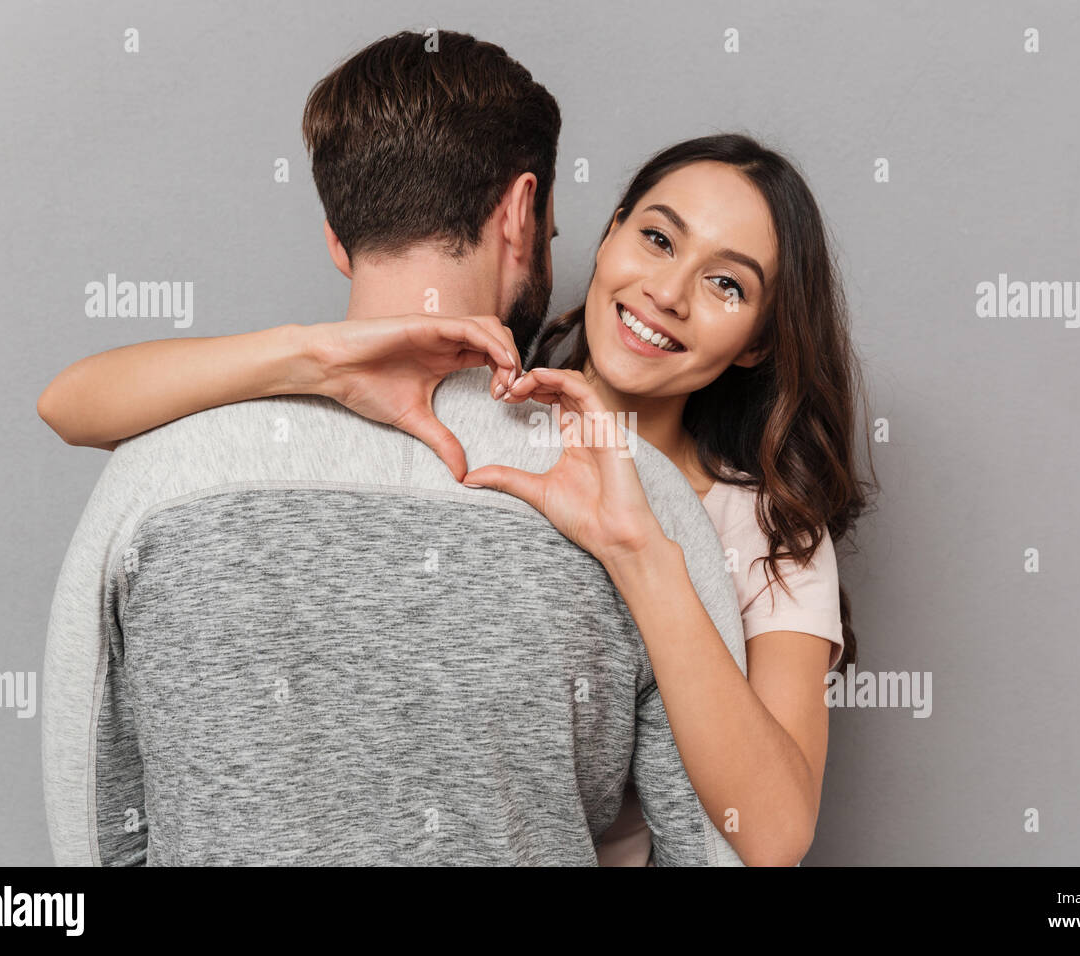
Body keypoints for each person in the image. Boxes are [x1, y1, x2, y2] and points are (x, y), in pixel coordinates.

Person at [40, 29, 752, 866]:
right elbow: (718, 845)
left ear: (339, 238)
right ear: (522, 213)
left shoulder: (151, 482)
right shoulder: (631, 497)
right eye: (554, 230)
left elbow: (94, 830)